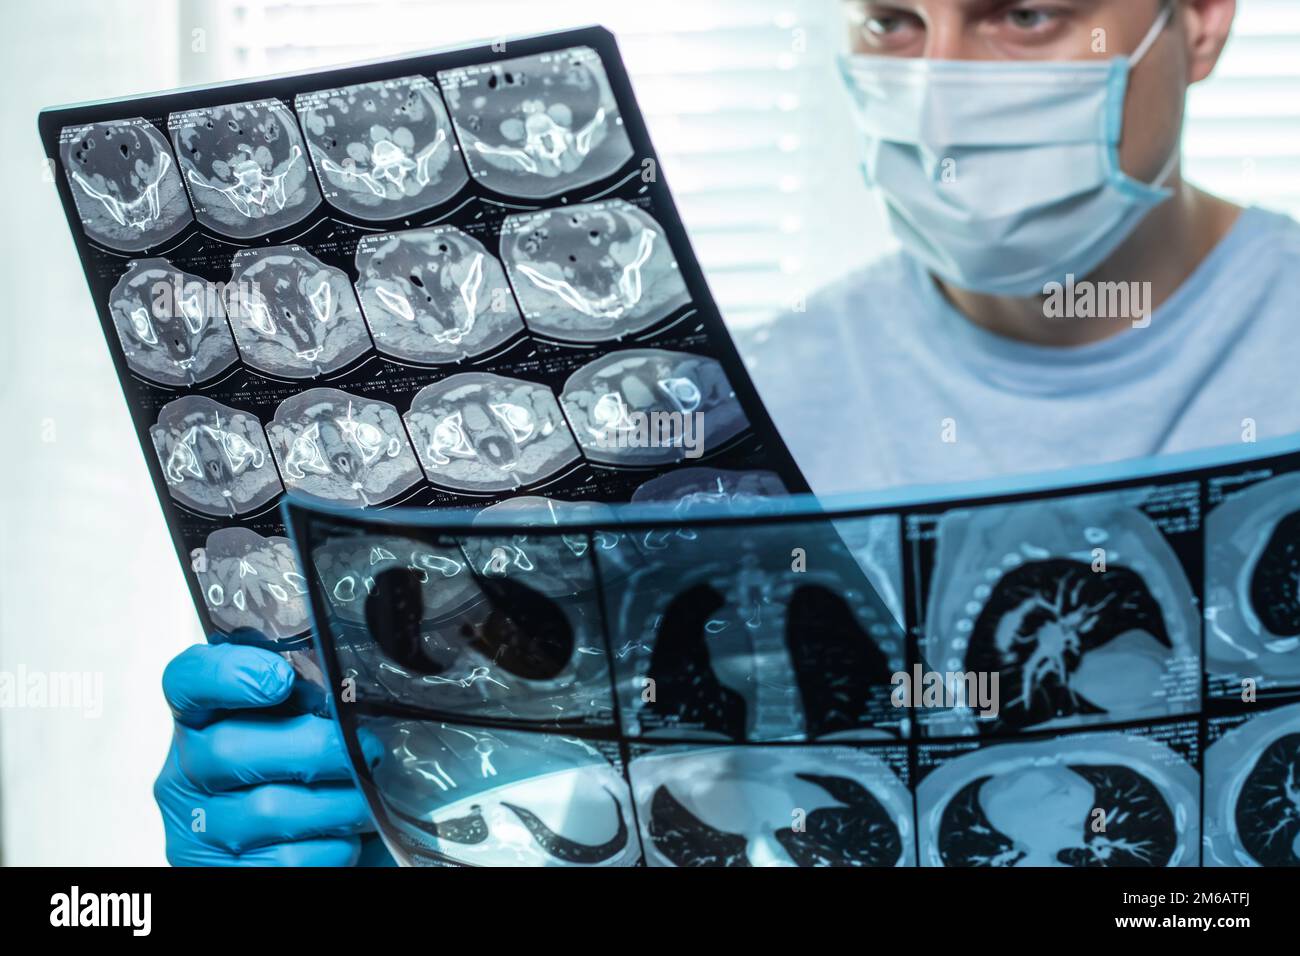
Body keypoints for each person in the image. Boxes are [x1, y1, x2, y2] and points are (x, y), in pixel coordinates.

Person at [155, 0, 1300, 864]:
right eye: (893, 21)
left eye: (1026, 14)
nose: (938, 89)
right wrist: (370, 826)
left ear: (1200, 20)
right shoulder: (703, 421)